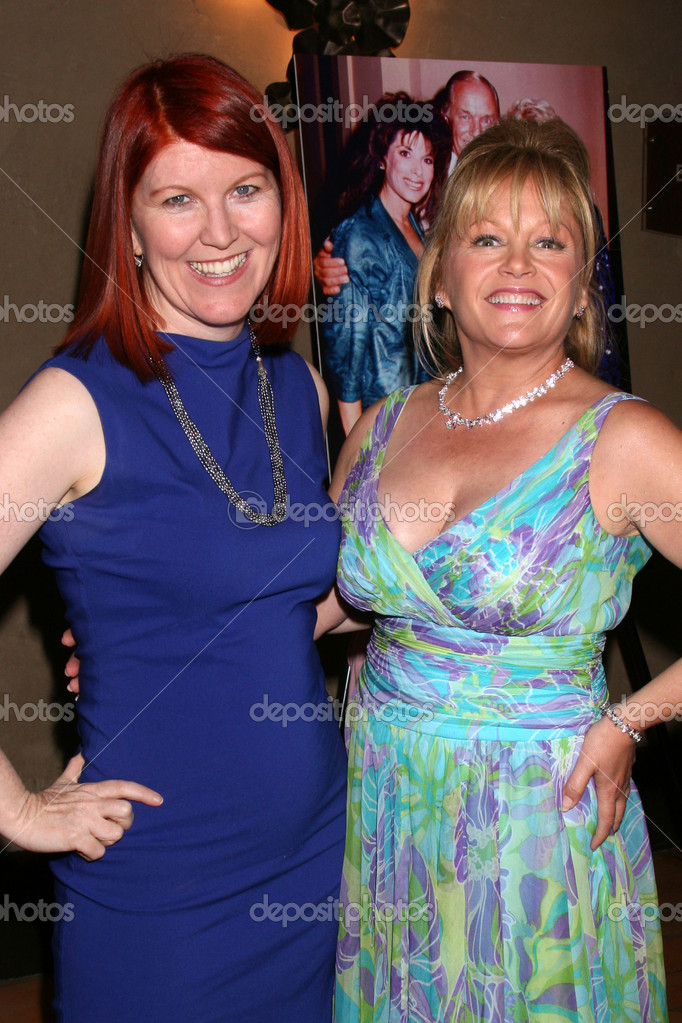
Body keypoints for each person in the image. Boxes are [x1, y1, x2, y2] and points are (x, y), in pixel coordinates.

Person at [0, 55, 347, 1022]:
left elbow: (287, 608)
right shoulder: (76, 400)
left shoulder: (298, 387)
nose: (221, 232)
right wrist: (18, 810)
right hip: (162, 894)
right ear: (130, 225)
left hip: (316, 861)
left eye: (246, 190)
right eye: (178, 199)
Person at [320, 118, 679, 1020]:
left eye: (549, 242)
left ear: (580, 285)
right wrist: (159, 638)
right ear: (440, 276)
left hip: (537, 826)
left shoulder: (623, 438)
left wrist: (631, 719)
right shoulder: (380, 426)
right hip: (390, 805)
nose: (518, 264)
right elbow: (324, 604)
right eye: (487, 238)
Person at [319, 94, 449, 434]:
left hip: (420, 408)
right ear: (381, 158)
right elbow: (347, 352)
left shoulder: (413, 226)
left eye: (427, 159)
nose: (418, 171)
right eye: (405, 154)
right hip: (382, 418)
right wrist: (358, 447)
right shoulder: (361, 234)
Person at [315, 71, 500, 297]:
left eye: (487, 120)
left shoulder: (506, 173)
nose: (477, 131)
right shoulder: (422, 163)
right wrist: (327, 261)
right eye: (465, 116)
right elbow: (352, 218)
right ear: (445, 115)